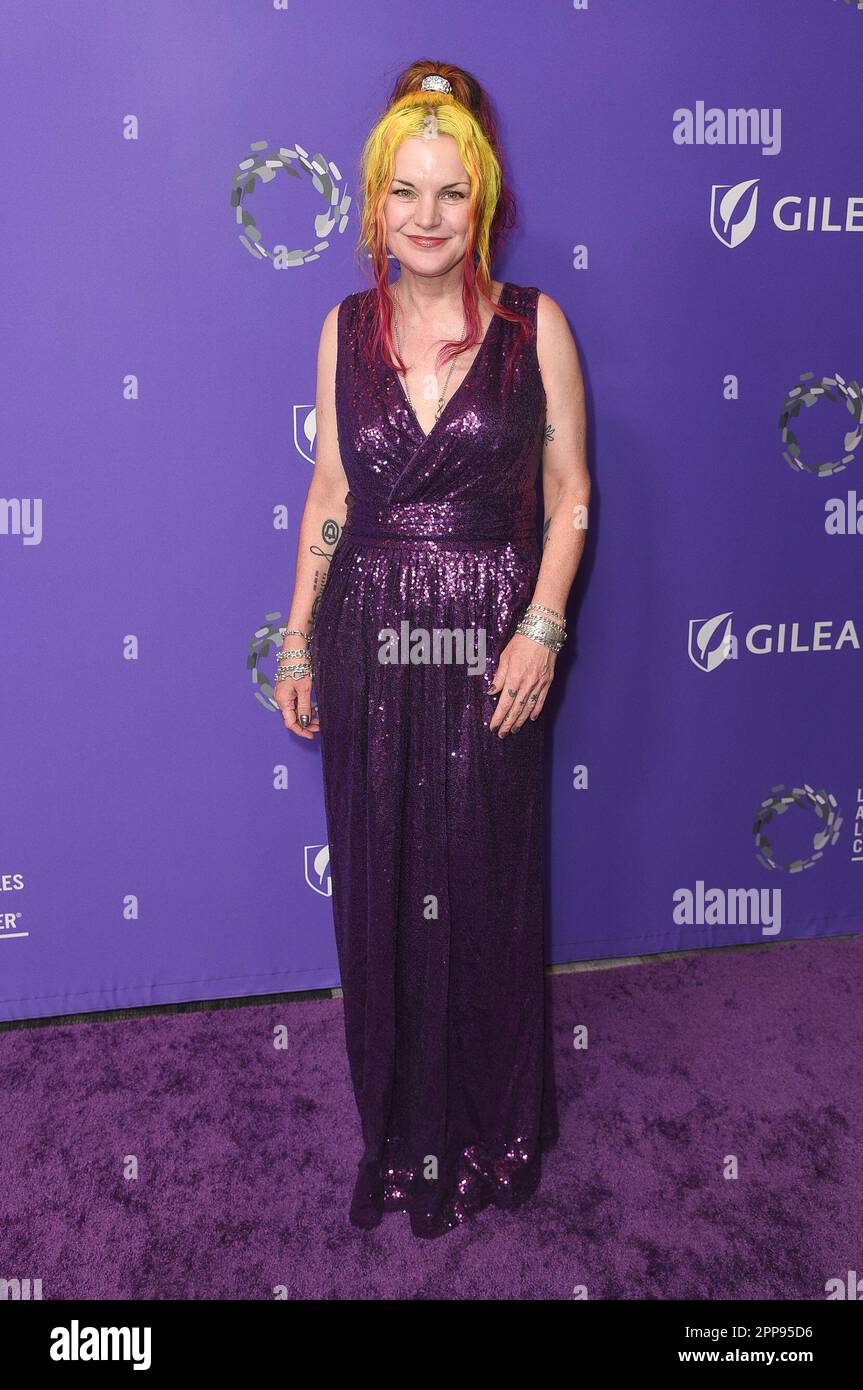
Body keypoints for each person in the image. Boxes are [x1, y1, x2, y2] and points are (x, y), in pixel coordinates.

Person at [275, 60, 589, 1239]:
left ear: (483, 202)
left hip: (488, 645)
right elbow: (328, 495)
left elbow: (567, 493)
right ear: (372, 205)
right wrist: (299, 641)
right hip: (367, 643)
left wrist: (541, 628)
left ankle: (490, 1129)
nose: (423, 215)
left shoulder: (533, 326)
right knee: (379, 886)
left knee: (484, 888)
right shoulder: (341, 330)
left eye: (448, 193)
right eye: (402, 191)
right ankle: (398, 1135)